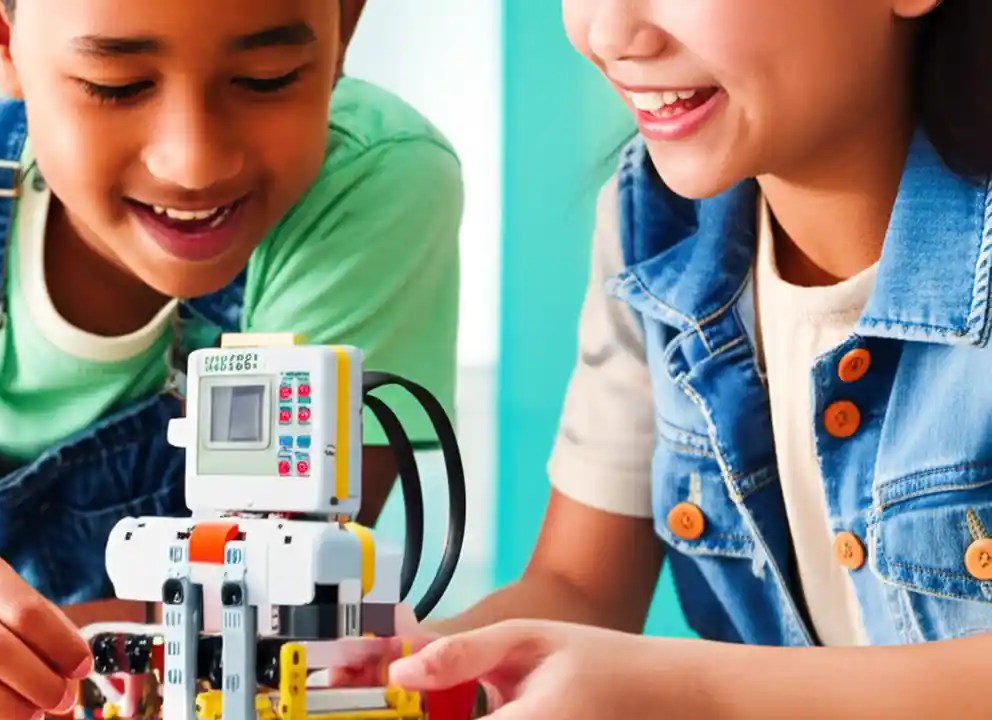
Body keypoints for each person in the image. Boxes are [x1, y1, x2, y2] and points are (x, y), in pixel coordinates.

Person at [0, 0, 462, 718]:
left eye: (265, 77)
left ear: (345, 26)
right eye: (118, 85)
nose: (194, 161)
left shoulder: (365, 184)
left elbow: (268, 615)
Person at [372, 0, 992, 717]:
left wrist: (684, 691)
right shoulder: (657, 228)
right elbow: (578, 590)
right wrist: (407, 670)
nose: (610, 34)